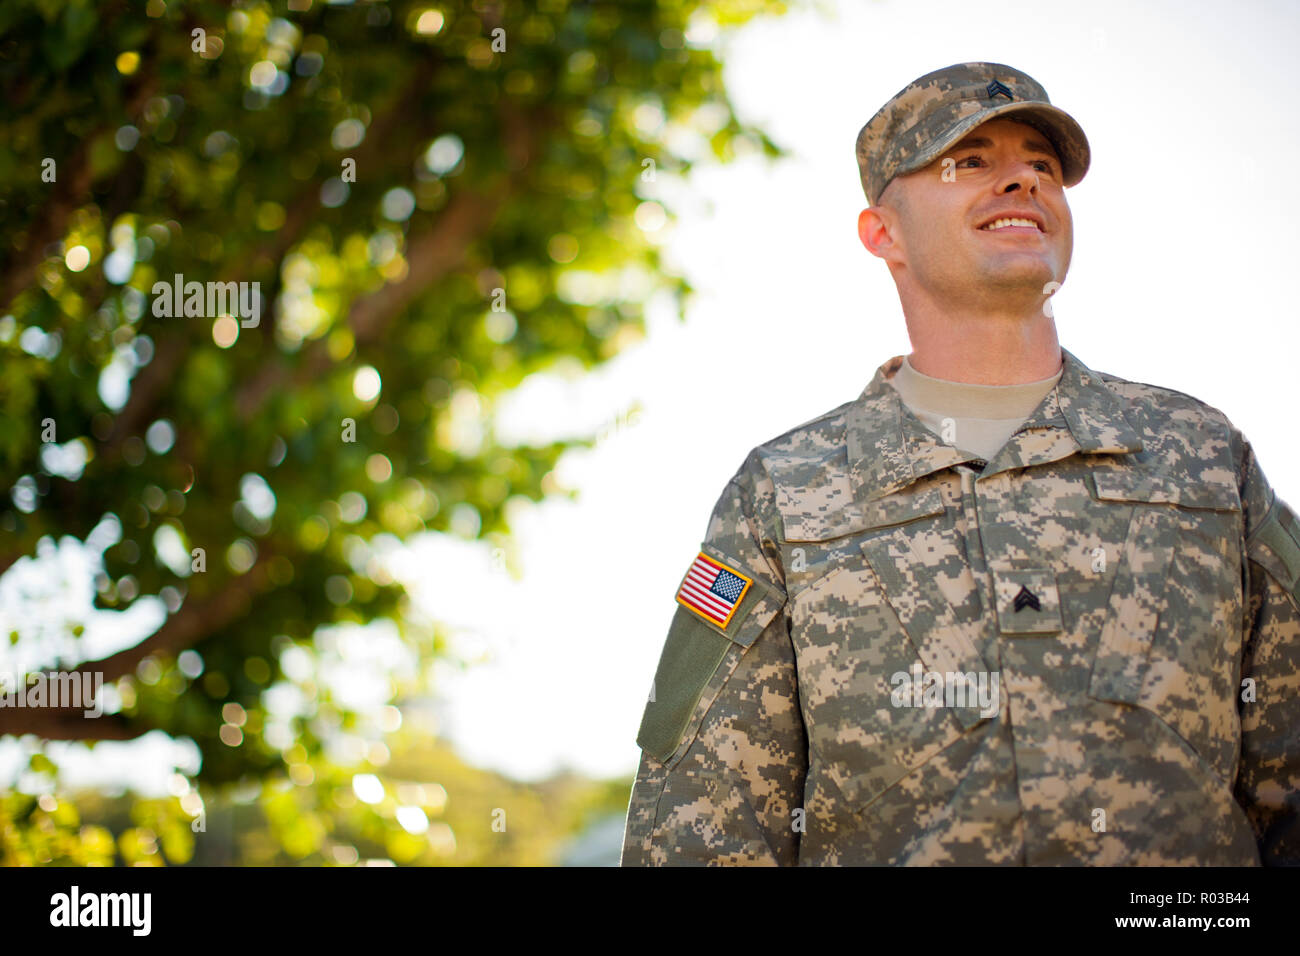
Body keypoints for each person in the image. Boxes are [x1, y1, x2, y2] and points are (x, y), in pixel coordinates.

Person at [619, 61, 1300, 866]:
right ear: (884, 234)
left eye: (1041, 167)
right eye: (970, 162)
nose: (1021, 181)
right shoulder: (788, 493)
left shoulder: (1200, 455)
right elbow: (701, 827)